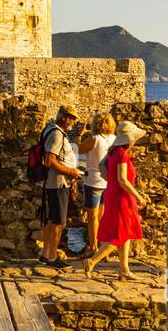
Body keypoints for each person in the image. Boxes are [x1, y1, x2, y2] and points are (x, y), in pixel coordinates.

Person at [83, 120, 147, 282]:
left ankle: (124, 269)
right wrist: (139, 196)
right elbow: (123, 180)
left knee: (125, 233)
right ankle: (92, 261)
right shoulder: (122, 154)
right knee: (119, 235)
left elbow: (104, 171)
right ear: (129, 139)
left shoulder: (112, 152)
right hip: (122, 197)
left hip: (112, 193)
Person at [39, 103, 82, 265]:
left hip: (55, 182)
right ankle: (52, 256)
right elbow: (50, 160)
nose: (73, 122)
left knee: (52, 219)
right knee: (59, 221)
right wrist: (70, 172)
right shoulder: (57, 134)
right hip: (59, 183)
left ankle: (45, 253)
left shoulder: (51, 130)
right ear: (63, 117)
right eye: (72, 118)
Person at [77, 112, 117, 256]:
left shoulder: (94, 139)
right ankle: (102, 247)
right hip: (108, 182)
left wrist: (79, 135)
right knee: (103, 216)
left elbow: (77, 150)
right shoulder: (114, 139)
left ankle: (93, 247)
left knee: (92, 217)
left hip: (93, 181)